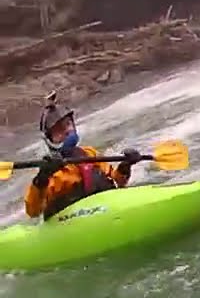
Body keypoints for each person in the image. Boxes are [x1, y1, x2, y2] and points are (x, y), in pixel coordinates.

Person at [24, 92, 143, 220]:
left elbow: (117, 181)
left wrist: (125, 166)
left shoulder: (88, 153)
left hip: (105, 212)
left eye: (68, 124)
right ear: (49, 139)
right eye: (59, 130)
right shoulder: (50, 171)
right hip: (71, 226)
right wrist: (41, 179)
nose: (67, 131)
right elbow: (33, 211)